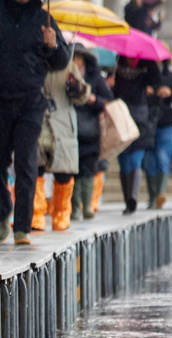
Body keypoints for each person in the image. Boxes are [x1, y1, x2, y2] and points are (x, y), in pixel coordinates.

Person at [0, 0, 70, 246]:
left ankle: (22, 227)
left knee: (26, 163)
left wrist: (53, 45)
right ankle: (3, 211)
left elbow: (62, 61)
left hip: (30, 102)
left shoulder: (44, 19)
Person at [36, 57, 90, 233]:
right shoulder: (33, 59)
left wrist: (75, 87)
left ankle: (61, 215)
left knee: (63, 174)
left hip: (63, 125)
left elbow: (83, 96)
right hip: (38, 121)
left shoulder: (68, 65)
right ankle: (35, 215)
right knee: (35, 170)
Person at [112, 55, 161, 214]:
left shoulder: (146, 67)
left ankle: (132, 198)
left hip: (140, 118)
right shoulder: (119, 67)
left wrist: (149, 61)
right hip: (121, 116)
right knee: (124, 161)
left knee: (135, 160)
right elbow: (115, 92)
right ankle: (128, 201)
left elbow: (156, 79)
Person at [72, 46, 113, 221]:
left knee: (88, 171)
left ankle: (86, 206)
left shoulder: (95, 79)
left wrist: (94, 101)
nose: (75, 61)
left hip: (90, 131)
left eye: (78, 58)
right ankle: (74, 208)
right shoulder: (66, 76)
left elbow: (108, 101)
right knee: (72, 171)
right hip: (71, 130)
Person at [143, 58, 172, 209]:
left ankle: (161, 193)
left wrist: (170, 93)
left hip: (166, 124)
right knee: (149, 161)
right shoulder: (145, 76)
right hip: (148, 124)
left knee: (162, 156)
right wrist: (148, 92)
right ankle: (152, 196)